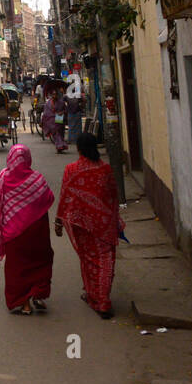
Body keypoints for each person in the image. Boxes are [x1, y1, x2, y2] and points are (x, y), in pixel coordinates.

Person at [55, 133, 123, 319]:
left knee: (89, 259)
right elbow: (113, 196)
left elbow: (65, 196)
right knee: (106, 259)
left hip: (82, 223)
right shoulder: (106, 169)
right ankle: (102, 300)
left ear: (79, 149)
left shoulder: (71, 169)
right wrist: (115, 218)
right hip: (104, 223)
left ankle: (95, 296)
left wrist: (59, 221)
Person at [0, 144, 54, 315]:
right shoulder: (37, 179)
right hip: (36, 231)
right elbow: (48, 198)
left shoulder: (2, 178)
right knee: (41, 260)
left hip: (13, 232)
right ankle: (38, 292)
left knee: (17, 267)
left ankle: (24, 303)